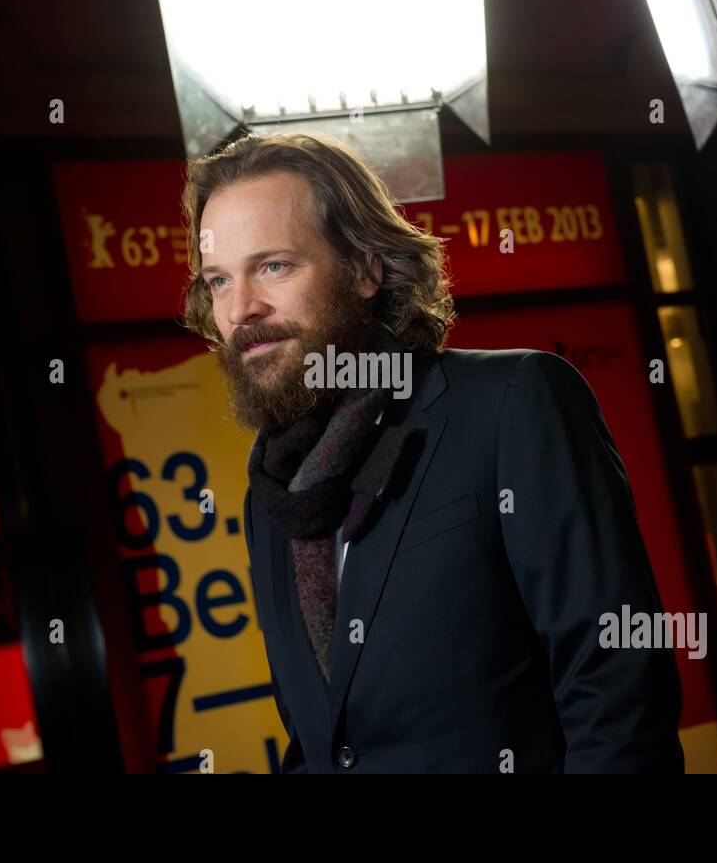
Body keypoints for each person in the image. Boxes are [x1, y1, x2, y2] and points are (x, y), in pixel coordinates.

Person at [180, 131, 684, 773]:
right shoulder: (271, 497)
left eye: (273, 266)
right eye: (219, 281)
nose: (241, 309)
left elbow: (617, 693)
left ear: (364, 268)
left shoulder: (512, 403)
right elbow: (323, 746)